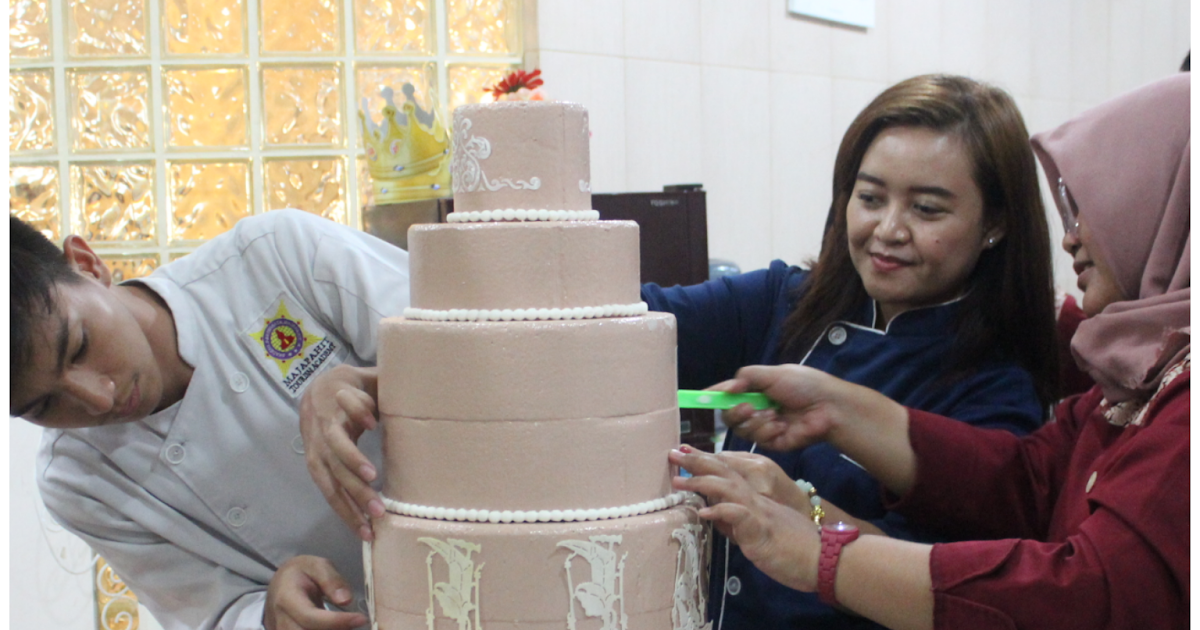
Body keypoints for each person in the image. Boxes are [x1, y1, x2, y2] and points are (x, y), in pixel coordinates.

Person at [299, 74, 1061, 630]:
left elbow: (962, 588)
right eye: (870, 197)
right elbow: (596, 334)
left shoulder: (996, 391)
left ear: (995, 225)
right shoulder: (781, 301)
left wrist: (807, 514)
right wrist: (383, 379)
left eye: (927, 209)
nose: (889, 229)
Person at [671, 72, 1190, 630]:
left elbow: (1081, 593)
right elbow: (1028, 479)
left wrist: (816, 544)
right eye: (870, 198)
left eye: (927, 209)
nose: (1073, 236)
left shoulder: (1016, 382)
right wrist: (835, 416)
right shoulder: (1140, 379)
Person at [11, 209, 410, 630]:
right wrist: (270, 613)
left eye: (79, 347)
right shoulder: (78, 480)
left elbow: (477, 353)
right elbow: (211, 613)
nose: (97, 398)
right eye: (42, 407)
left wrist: (373, 382)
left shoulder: (273, 256)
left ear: (88, 265)